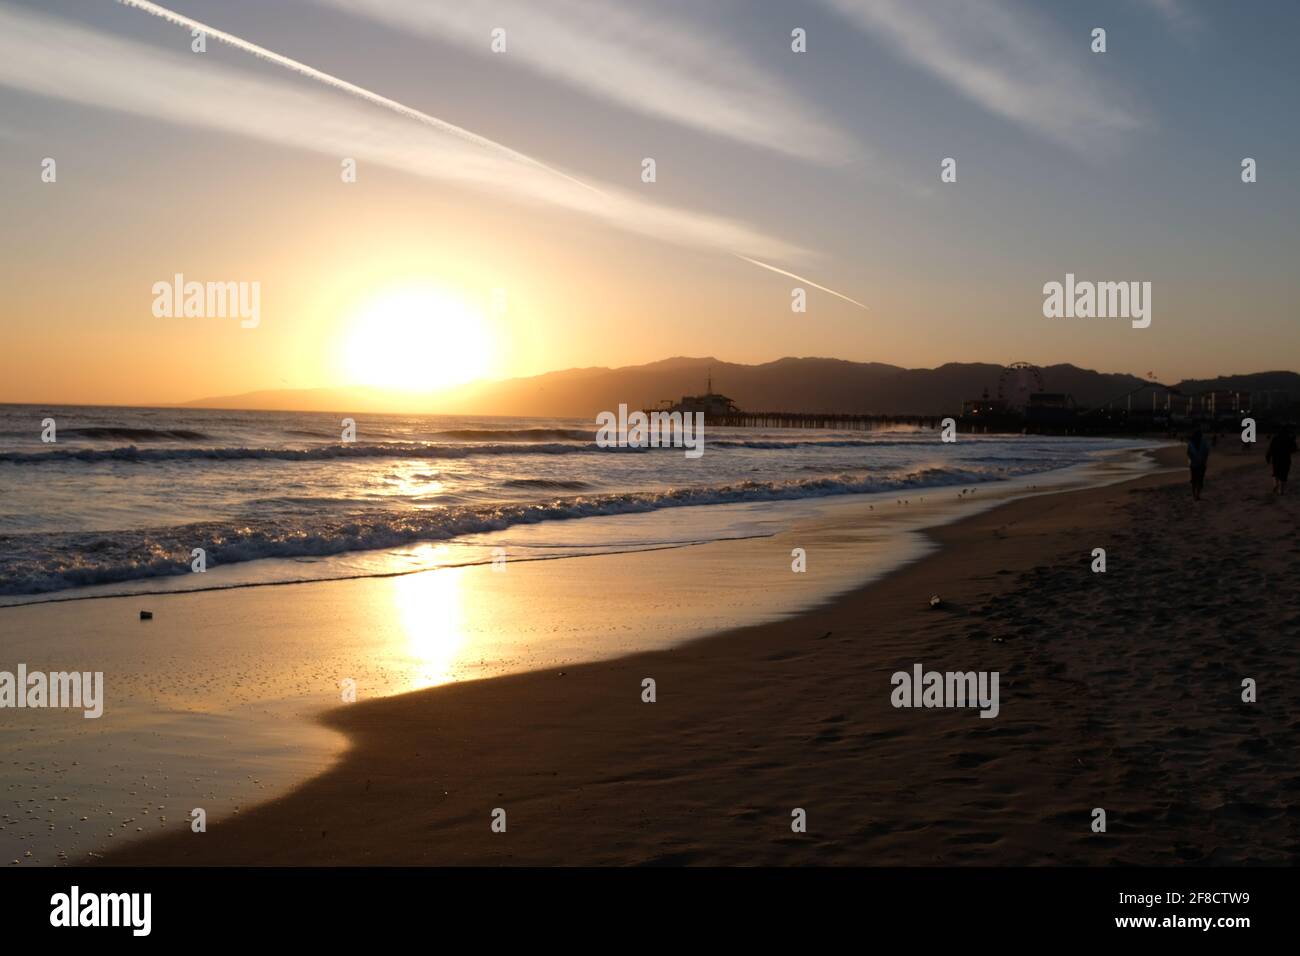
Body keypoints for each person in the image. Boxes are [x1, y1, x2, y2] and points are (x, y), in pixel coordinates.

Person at [1265, 425, 1296, 496]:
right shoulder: (1289, 438)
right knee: (1284, 474)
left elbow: (1270, 449)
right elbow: (1294, 449)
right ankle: (1281, 490)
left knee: (1275, 472)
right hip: (1286, 458)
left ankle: (1275, 484)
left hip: (1276, 458)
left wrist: (1268, 457)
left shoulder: (1275, 438)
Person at [1187, 429, 1210, 501]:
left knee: (1198, 481)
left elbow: (1206, 452)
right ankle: (1196, 495)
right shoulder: (1192, 443)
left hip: (1198, 464)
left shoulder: (1201, 442)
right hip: (1196, 464)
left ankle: (1196, 495)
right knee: (1196, 480)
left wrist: (1204, 460)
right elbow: (1188, 453)